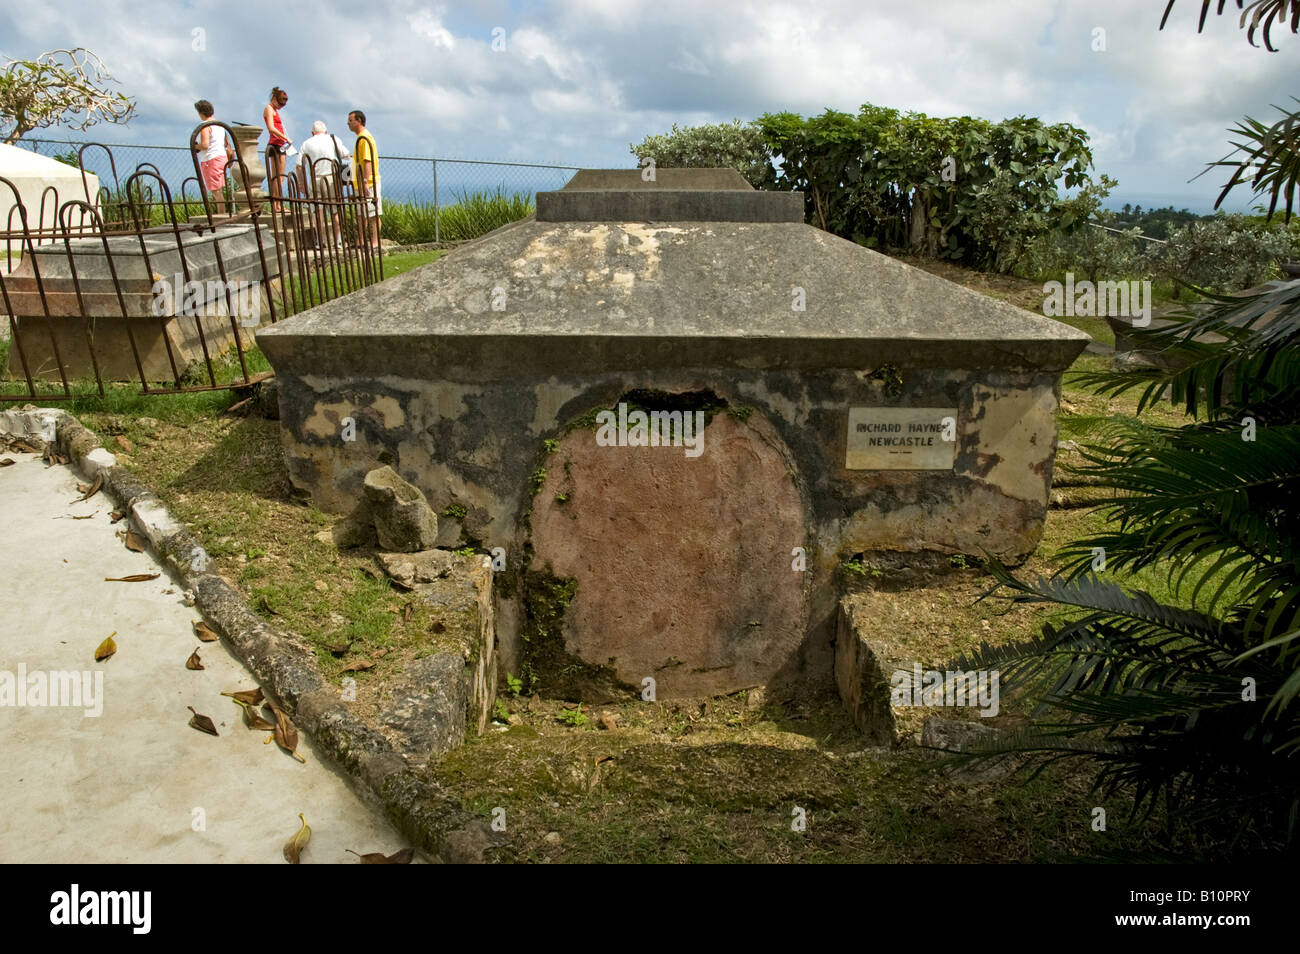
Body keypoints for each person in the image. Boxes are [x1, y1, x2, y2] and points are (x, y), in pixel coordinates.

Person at [299, 120, 351, 247]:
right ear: (326, 131)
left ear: (312, 133)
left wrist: (301, 184)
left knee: (318, 211)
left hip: (315, 179)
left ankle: (319, 241)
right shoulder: (333, 139)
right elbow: (347, 155)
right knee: (335, 210)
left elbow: (299, 166)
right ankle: (338, 241)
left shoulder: (306, 143)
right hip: (332, 178)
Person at [347, 109, 381, 249]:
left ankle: (374, 242)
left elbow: (367, 161)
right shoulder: (360, 138)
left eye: (350, 120)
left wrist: (366, 181)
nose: (348, 123)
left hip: (369, 182)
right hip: (359, 183)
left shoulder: (364, 138)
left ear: (359, 121)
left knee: (373, 213)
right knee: (361, 214)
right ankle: (361, 240)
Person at [191, 100, 234, 209]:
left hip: (211, 159)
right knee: (219, 190)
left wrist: (195, 146)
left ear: (201, 113)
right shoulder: (220, 125)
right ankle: (223, 214)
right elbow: (226, 143)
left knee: (216, 191)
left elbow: (205, 145)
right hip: (221, 157)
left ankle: (222, 215)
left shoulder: (205, 126)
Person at [263, 87, 292, 213]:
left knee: (279, 177)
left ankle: (277, 204)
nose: (281, 107)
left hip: (279, 144)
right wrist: (286, 138)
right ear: (274, 99)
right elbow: (271, 127)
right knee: (278, 177)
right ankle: (277, 205)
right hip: (276, 145)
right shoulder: (269, 109)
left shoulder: (273, 109)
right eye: (280, 104)